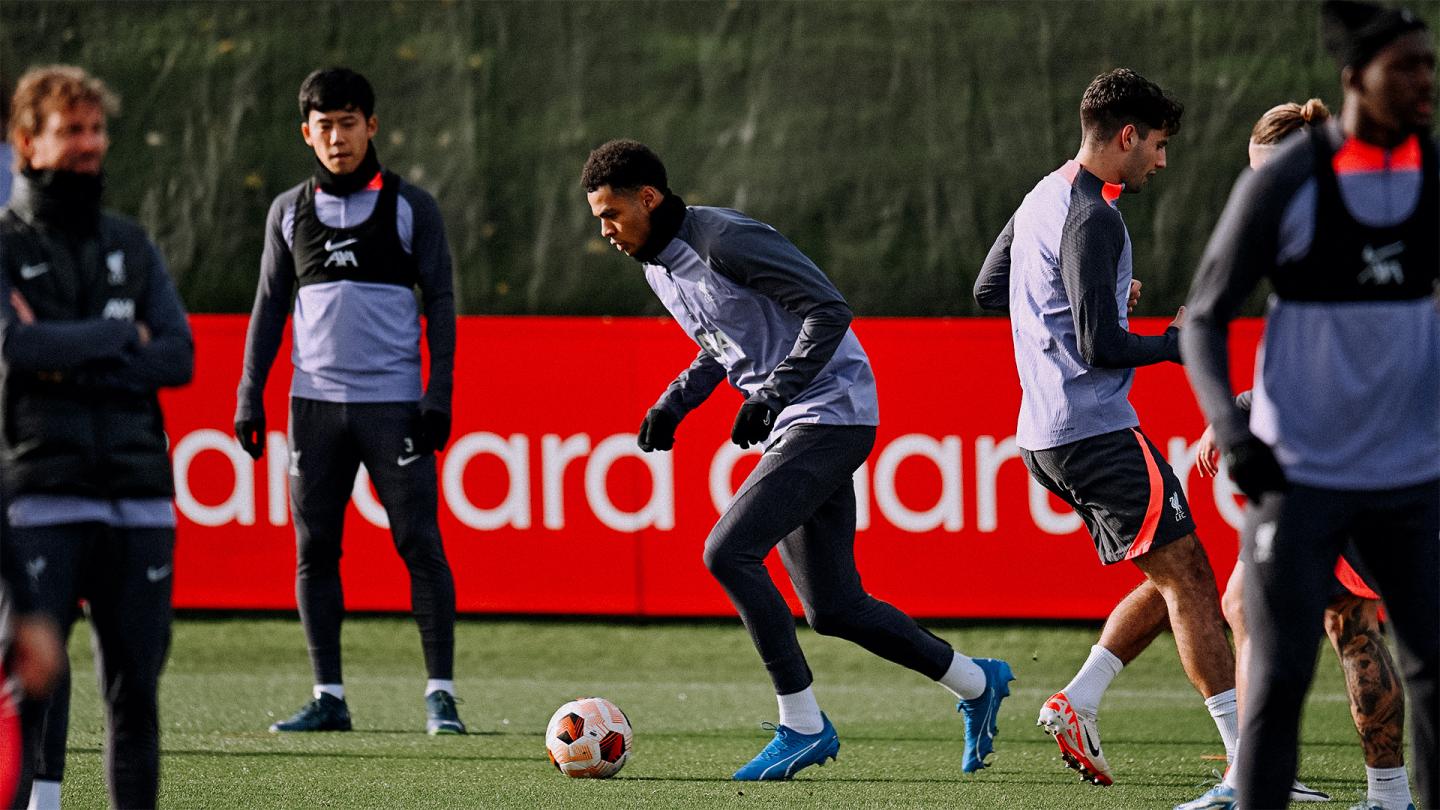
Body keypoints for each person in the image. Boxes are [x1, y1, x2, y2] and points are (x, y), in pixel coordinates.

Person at [581, 139, 1014, 781]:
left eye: (611, 214)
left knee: (726, 552)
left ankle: (802, 725)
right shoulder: (658, 266)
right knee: (834, 607)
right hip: (800, 418)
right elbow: (719, 343)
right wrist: (676, 404)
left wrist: (776, 390)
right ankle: (976, 681)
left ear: (648, 197)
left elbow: (828, 309)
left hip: (832, 412)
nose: (607, 231)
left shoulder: (724, 238)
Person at [1182, 0, 1438, 806]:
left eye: (1430, 64)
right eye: (1408, 66)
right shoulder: (1290, 178)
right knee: (1281, 675)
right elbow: (1206, 319)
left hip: (1410, 476)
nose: (1426, 80)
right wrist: (1234, 427)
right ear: (1358, 77)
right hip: (1303, 478)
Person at [974, 68, 1241, 789]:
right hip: (1093, 428)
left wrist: (1083, 296)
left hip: (1045, 434)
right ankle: (1250, 766)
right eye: (1156, 144)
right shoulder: (1095, 216)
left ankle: (1079, 699)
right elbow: (1100, 346)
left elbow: (988, 290)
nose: (1160, 159)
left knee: (1170, 571)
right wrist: (1177, 339)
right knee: (1192, 581)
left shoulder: (1041, 195)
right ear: (1127, 135)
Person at [235, 67, 464, 736]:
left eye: (349, 122)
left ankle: (441, 696)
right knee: (315, 550)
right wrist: (250, 392)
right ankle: (329, 696)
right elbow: (269, 306)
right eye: (324, 125)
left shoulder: (410, 206)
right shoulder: (288, 211)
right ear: (307, 133)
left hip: (394, 407)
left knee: (419, 543)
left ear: (372, 126)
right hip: (313, 408)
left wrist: (438, 393)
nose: (337, 137)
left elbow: (443, 302)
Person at [0, 64, 194, 809]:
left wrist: (67, 350)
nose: (88, 143)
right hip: (40, 497)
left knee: (135, 701)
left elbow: (177, 356)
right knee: (26, 693)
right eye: (70, 130)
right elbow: (15, 349)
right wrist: (119, 336)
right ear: (28, 142)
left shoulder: (130, 242)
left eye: (95, 128)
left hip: (139, 499)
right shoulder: (6, 241)